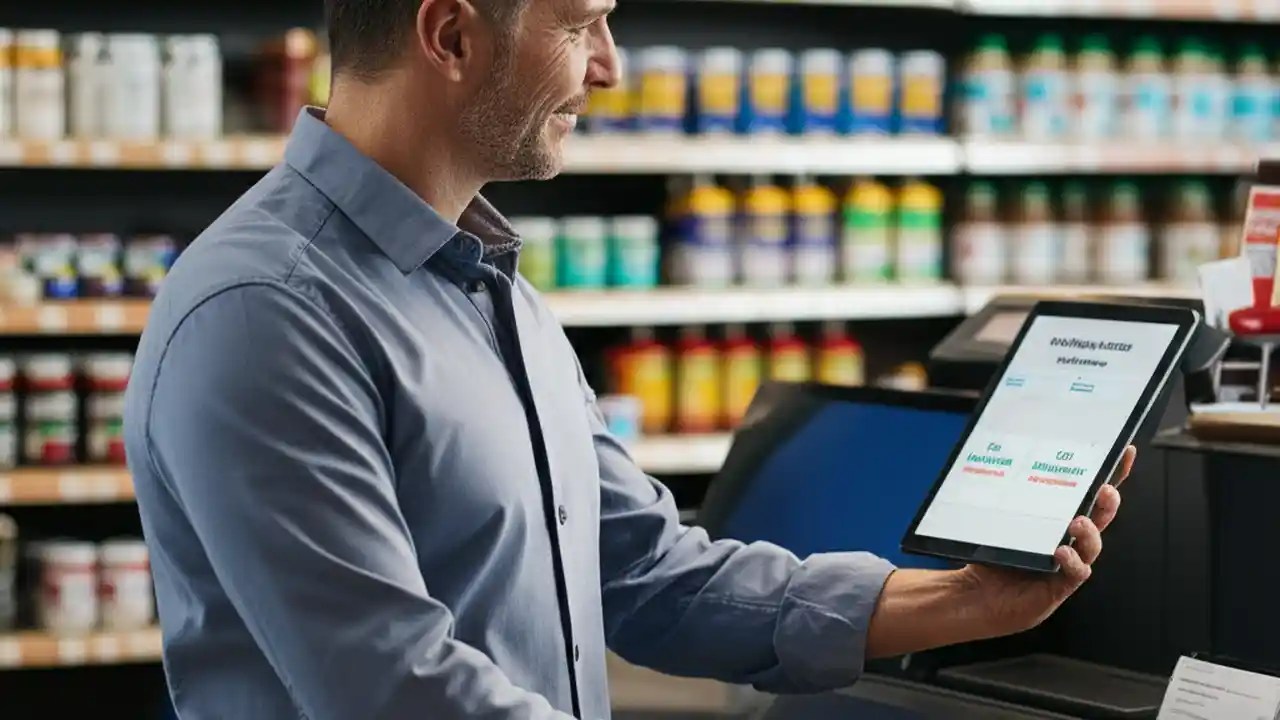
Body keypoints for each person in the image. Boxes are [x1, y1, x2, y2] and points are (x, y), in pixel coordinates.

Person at [122, 0, 1133, 717]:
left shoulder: (486, 287)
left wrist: (962, 601)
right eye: (580, 25)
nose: (609, 67)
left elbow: (648, 575)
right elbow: (389, 686)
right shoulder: (264, 314)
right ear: (450, 34)